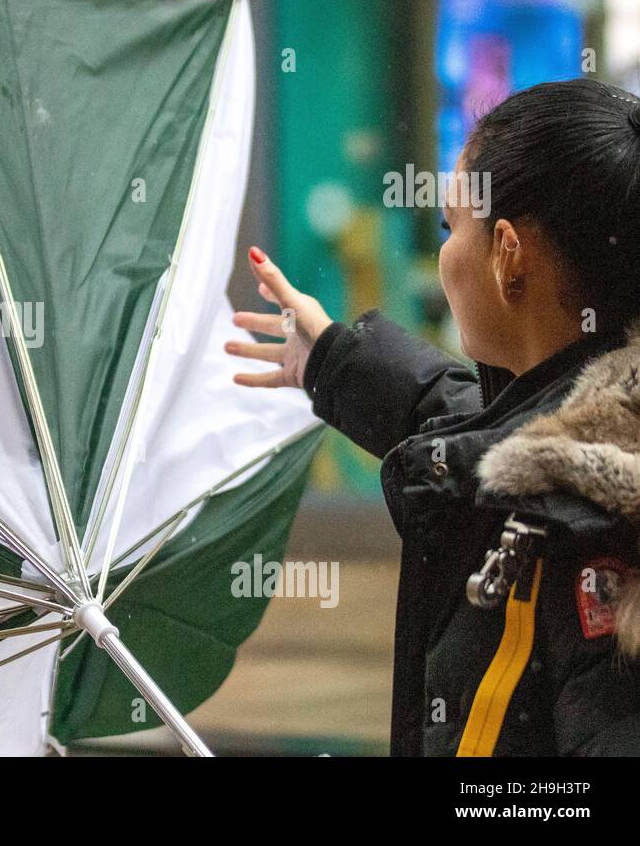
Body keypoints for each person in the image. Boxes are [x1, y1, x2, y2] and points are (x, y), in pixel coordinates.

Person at [226, 78, 640, 755]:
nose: (445, 253)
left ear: (509, 256)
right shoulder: (594, 436)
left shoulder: (580, 533)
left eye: (452, 227)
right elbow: (504, 431)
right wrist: (333, 359)